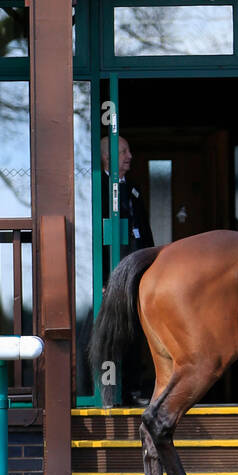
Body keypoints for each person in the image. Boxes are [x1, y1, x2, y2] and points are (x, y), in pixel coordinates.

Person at [99, 134, 154, 405]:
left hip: (137, 271)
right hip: (110, 275)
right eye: (124, 152)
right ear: (107, 157)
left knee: (135, 330)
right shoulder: (96, 189)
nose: (130, 156)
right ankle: (109, 393)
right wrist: (101, 276)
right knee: (112, 333)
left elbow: (145, 233)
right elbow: (96, 239)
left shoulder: (133, 190)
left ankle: (132, 389)